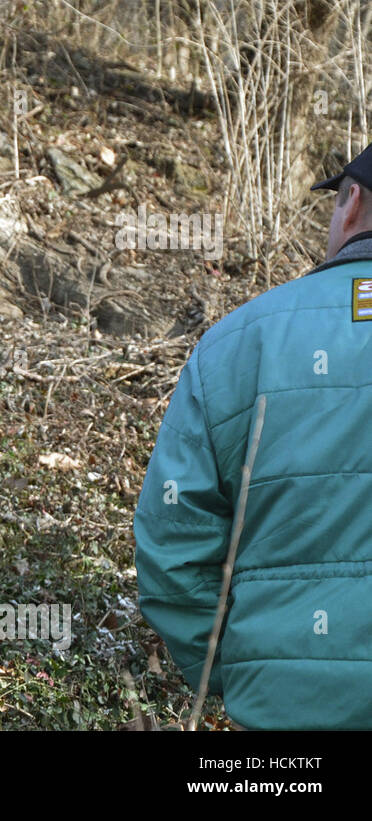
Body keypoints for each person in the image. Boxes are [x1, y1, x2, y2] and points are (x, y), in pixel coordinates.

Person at [134, 143, 372, 730]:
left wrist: (230, 670)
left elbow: (173, 543)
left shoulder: (236, 343)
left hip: (285, 716)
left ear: (352, 205)